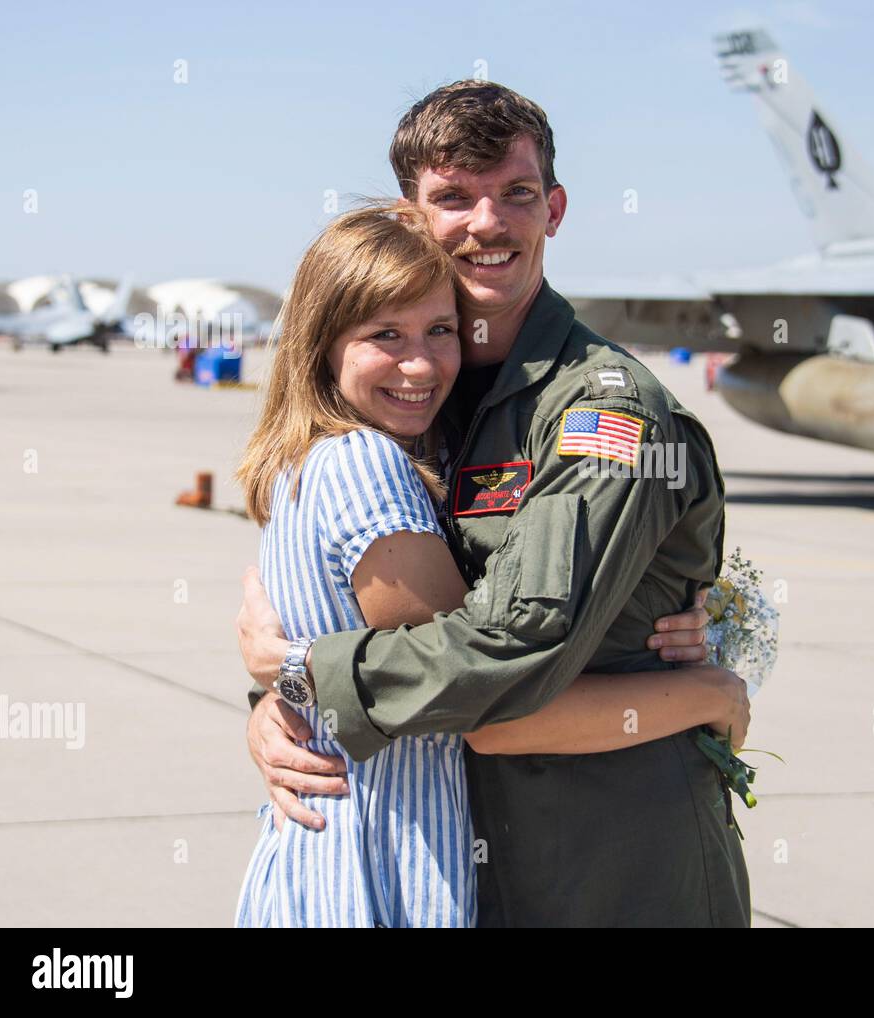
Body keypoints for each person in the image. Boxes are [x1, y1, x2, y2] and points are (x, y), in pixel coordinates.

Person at [238, 81, 752, 927]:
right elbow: (348, 596)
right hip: (470, 870)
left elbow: (518, 646)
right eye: (453, 198)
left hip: (615, 872)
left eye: (515, 194)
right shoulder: (427, 397)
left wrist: (302, 675)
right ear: (413, 215)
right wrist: (272, 708)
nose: (487, 224)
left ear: (553, 209)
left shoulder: (603, 412)